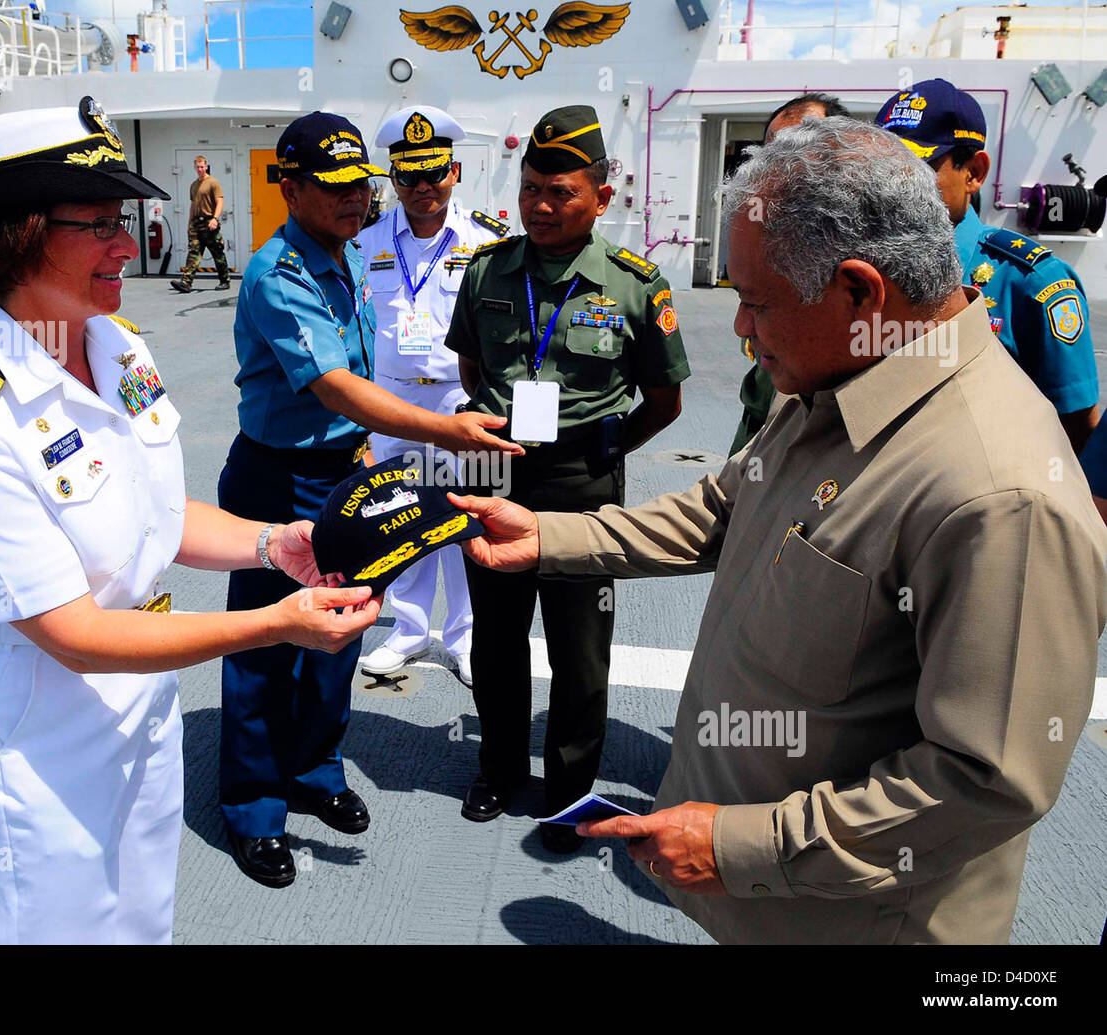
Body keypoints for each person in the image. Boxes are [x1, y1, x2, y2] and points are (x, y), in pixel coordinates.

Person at [451, 117, 1107, 943]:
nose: (739, 331)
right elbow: (721, 508)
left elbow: (987, 781)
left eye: (755, 303)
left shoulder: (999, 495)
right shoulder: (839, 380)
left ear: (862, 293)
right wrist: (549, 537)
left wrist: (742, 844)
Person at [0, 98, 379, 944]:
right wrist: (275, 622)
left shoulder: (117, 346)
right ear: (17, 234)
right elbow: (74, 632)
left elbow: (157, 517)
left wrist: (276, 544)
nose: (127, 244)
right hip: (40, 746)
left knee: (143, 928)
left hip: (142, 713)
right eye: (97, 224)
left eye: (122, 220)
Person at [219, 111, 520, 889]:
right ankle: (254, 805)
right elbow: (336, 386)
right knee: (265, 648)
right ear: (288, 186)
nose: (356, 199)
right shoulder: (278, 271)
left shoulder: (346, 252)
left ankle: (316, 773)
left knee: (339, 639)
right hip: (274, 477)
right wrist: (443, 431)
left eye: (361, 184)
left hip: (340, 472)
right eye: (335, 187)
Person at [446, 104, 690, 853]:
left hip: (583, 480)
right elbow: (471, 367)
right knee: (496, 635)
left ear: (601, 197)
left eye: (560, 191)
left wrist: (607, 449)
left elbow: (666, 397)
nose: (541, 206)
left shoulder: (635, 286)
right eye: (530, 189)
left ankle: (569, 788)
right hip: (495, 470)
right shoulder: (488, 269)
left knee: (581, 646)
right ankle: (496, 769)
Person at [356, 105, 508, 686]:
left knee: (462, 518)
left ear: (455, 171)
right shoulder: (366, 243)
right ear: (392, 179)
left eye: (433, 172)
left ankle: (465, 635)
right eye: (408, 176)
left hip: (459, 399)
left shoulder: (489, 243)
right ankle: (410, 628)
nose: (422, 187)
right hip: (390, 401)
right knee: (402, 516)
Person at [878, 78, 1100, 452]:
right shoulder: (866, 264)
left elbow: (1076, 425)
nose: (891, 185)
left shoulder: (1032, 282)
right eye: (883, 167)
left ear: (974, 173)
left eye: (918, 167)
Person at [729, 92, 849, 455]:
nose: (782, 165)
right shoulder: (759, 237)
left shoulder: (859, 245)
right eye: (772, 153)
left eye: (800, 149)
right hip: (762, 423)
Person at [170, 155, 230, 292]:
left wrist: (215, 218)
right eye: (197, 167)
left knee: (217, 253)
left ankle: (224, 280)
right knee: (193, 253)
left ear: (206, 166)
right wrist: (189, 223)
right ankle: (186, 283)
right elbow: (193, 205)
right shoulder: (194, 185)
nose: (200, 169)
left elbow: (220, 201)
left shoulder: (213, 183)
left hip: (209, 222)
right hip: (196, 224)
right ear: (195, 167)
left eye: (202, 167)